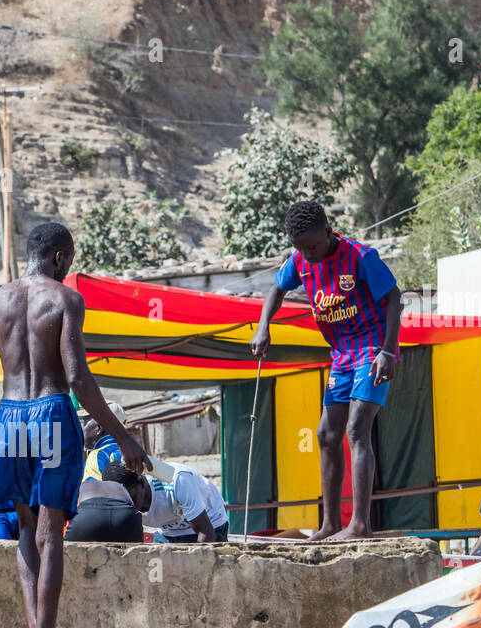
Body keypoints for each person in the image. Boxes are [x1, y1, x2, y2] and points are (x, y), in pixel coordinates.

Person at [0, 221, 151, 628]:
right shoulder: (66, 299)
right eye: (69, 262)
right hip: (50, 413)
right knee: (53, 535)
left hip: (7, 420)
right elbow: (79, 380)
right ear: (59, 259)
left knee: (27, 530)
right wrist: (122, 435)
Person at [250, 201, 402, 541]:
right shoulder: (301, 261)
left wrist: (389, 351)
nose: (308, 254)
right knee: (325, 435)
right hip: (342, 355)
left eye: (313, 246)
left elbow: (394, 298)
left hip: (373, 348)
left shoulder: (361, 257)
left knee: (357, 428)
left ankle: (360, 525)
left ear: (328, 231)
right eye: (300, 247)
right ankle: (330, 523)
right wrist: (264, 326)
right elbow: (277, 288)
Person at [145, 459, 230, 543]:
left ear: (141, 483)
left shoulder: (179, 479)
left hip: (210, 523)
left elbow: (206, 533)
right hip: (168, 532)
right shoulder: (132, 503)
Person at [65, 460, 151, 543]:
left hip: (85, 517)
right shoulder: (121, 488)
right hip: (126, 516)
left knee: (71, 554)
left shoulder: (87, 484)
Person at [81, 403, 128, 481]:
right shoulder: (131, 452)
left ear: (99, 428)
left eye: (84, 423)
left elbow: (94, 492)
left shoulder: (98, 456)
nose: (81, 427)